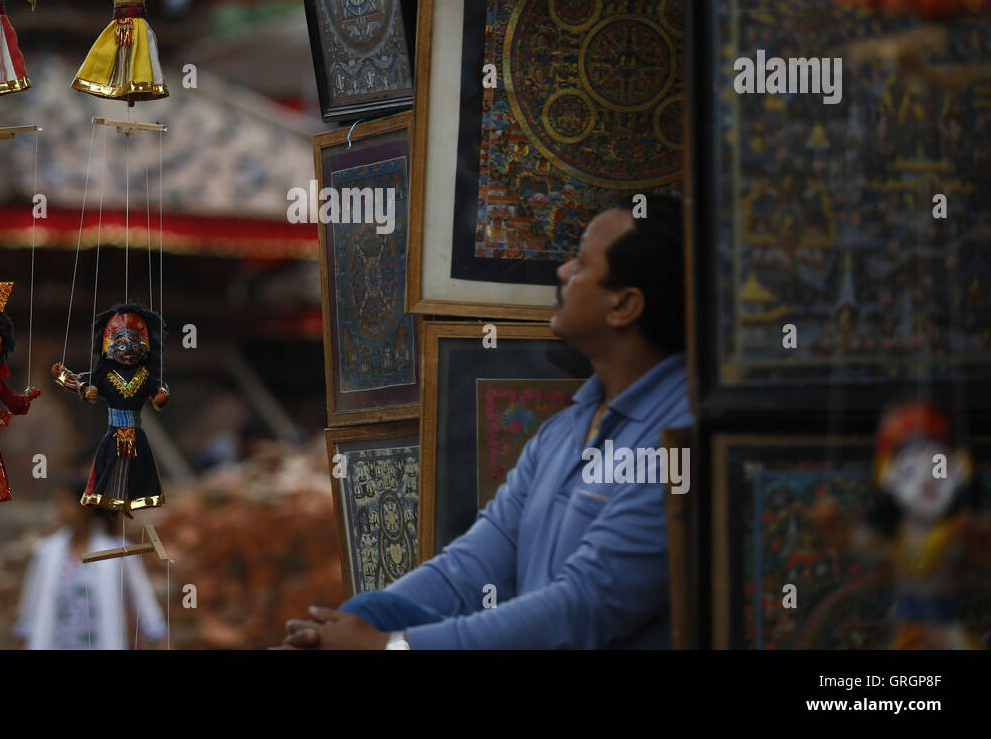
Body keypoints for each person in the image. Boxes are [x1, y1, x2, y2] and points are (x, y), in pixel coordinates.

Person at [281, 195, 692, 649]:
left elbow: (583, 605)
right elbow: (471, 568)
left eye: (580, 263)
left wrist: (391, 647)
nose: (562, 273)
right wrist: (348, 626)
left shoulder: (679, 440)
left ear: (624, 306)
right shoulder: (562, 432)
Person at [13, 479, 166, 650]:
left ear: (86, 506)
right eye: (58, 502)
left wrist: (159, 638)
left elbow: (144, 604)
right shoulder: (47, 552)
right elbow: (29, 608)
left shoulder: (117, 552)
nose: (59, 508)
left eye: (66, 501)